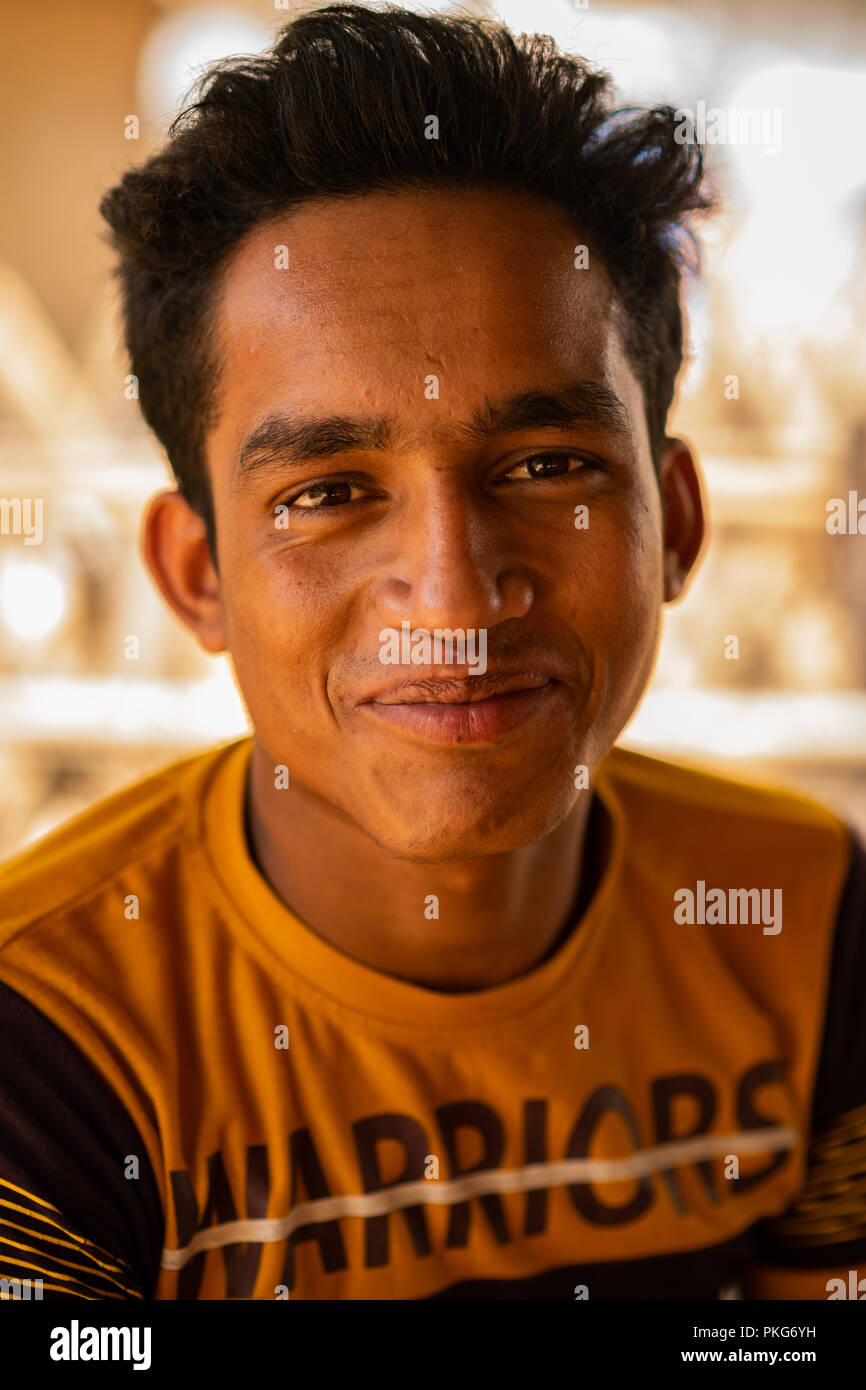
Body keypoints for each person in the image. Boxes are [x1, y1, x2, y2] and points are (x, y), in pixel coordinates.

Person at [1, 3, 863, 1301]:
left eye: (544, 466)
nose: (454, 592)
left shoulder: (804, 917)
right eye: (328, 492)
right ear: (197, 575)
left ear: (673, 522)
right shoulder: (47, 1039)